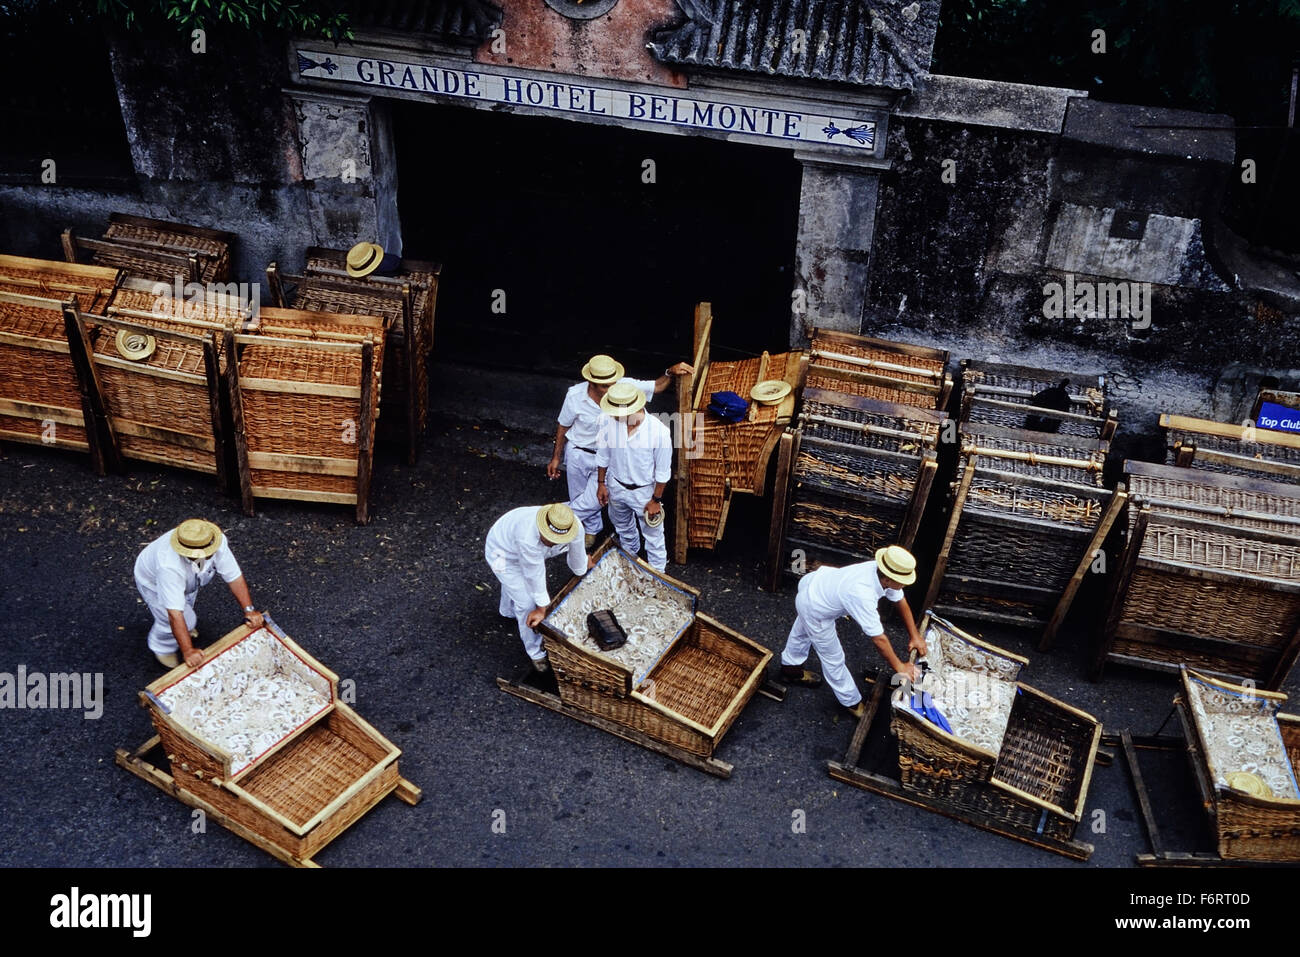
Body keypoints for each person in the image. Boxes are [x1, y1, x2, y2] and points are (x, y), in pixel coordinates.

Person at [546, 354, 692, 547]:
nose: (611, 389)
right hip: (578, 452)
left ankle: (549, 524)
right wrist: (556, 457)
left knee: (591, 502)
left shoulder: (625, 388)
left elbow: (656, 386)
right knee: (578, 496)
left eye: (613, 382)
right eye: (605, 385)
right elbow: (563, 425)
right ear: (591, 381)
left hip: (609, 458)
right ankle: (589, 531)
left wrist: (669, 372)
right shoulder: (574, 395)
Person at [778, 545, 927, 719]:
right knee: (833, 658)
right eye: (902, 581)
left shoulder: (880, 571)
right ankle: (851, 702)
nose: (904, 585)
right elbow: (879, 639)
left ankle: (790, 669)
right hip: (815, 605)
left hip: (817, 584)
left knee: (803, 631)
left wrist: (915, 636)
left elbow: (900, 599)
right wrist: (900, 667)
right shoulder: (861, 593)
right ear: (887, 579)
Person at [134, 519, 264, 669]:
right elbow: (174, 614)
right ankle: (162, 648)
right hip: (153, 584)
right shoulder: (168, 567)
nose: (209, 555)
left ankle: (184, 632)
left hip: (188, 580)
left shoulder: (214, 540)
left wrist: (249, 610)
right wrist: (188, 651)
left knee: (187, 602)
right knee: (175, 619)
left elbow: (233, 576)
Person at [486, 502, 593, 672]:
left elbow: (577, 559)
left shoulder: (576, 527)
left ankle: (506, 611)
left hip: (521, 552)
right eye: (548, 537)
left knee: (516, 587)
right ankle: (536, 653)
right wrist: (541, 610)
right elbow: (534, 575)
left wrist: (583, 566)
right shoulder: (527, 537)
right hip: (501, 553)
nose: (551, 542)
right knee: (527, 603)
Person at [595, 381, 674, 571]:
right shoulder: (607, 421)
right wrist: (601, 483)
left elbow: (663, 472)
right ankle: (629, 559)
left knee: (654, 537)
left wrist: (655, 500)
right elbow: (603, 454)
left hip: (644, 492)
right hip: (616, 485)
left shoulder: (659, 433)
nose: (613, 415)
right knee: (623, 528)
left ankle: (658, 574)